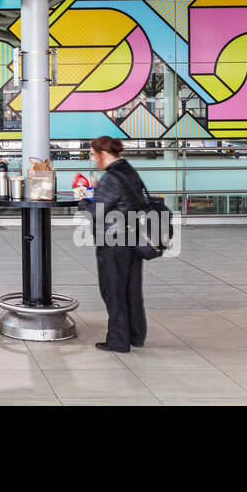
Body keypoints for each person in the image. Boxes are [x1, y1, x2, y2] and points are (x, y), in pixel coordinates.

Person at [74, 135, 147, 352]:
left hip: (113, 242)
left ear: (104, 154)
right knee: (131, 290)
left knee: (113, 291)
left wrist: (82, 200)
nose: (94, 159)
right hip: (131, 237)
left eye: (94, 154)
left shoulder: (111, 178)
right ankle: (136, 335)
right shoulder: (128, 170)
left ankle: (118, 341)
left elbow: (97, 212)